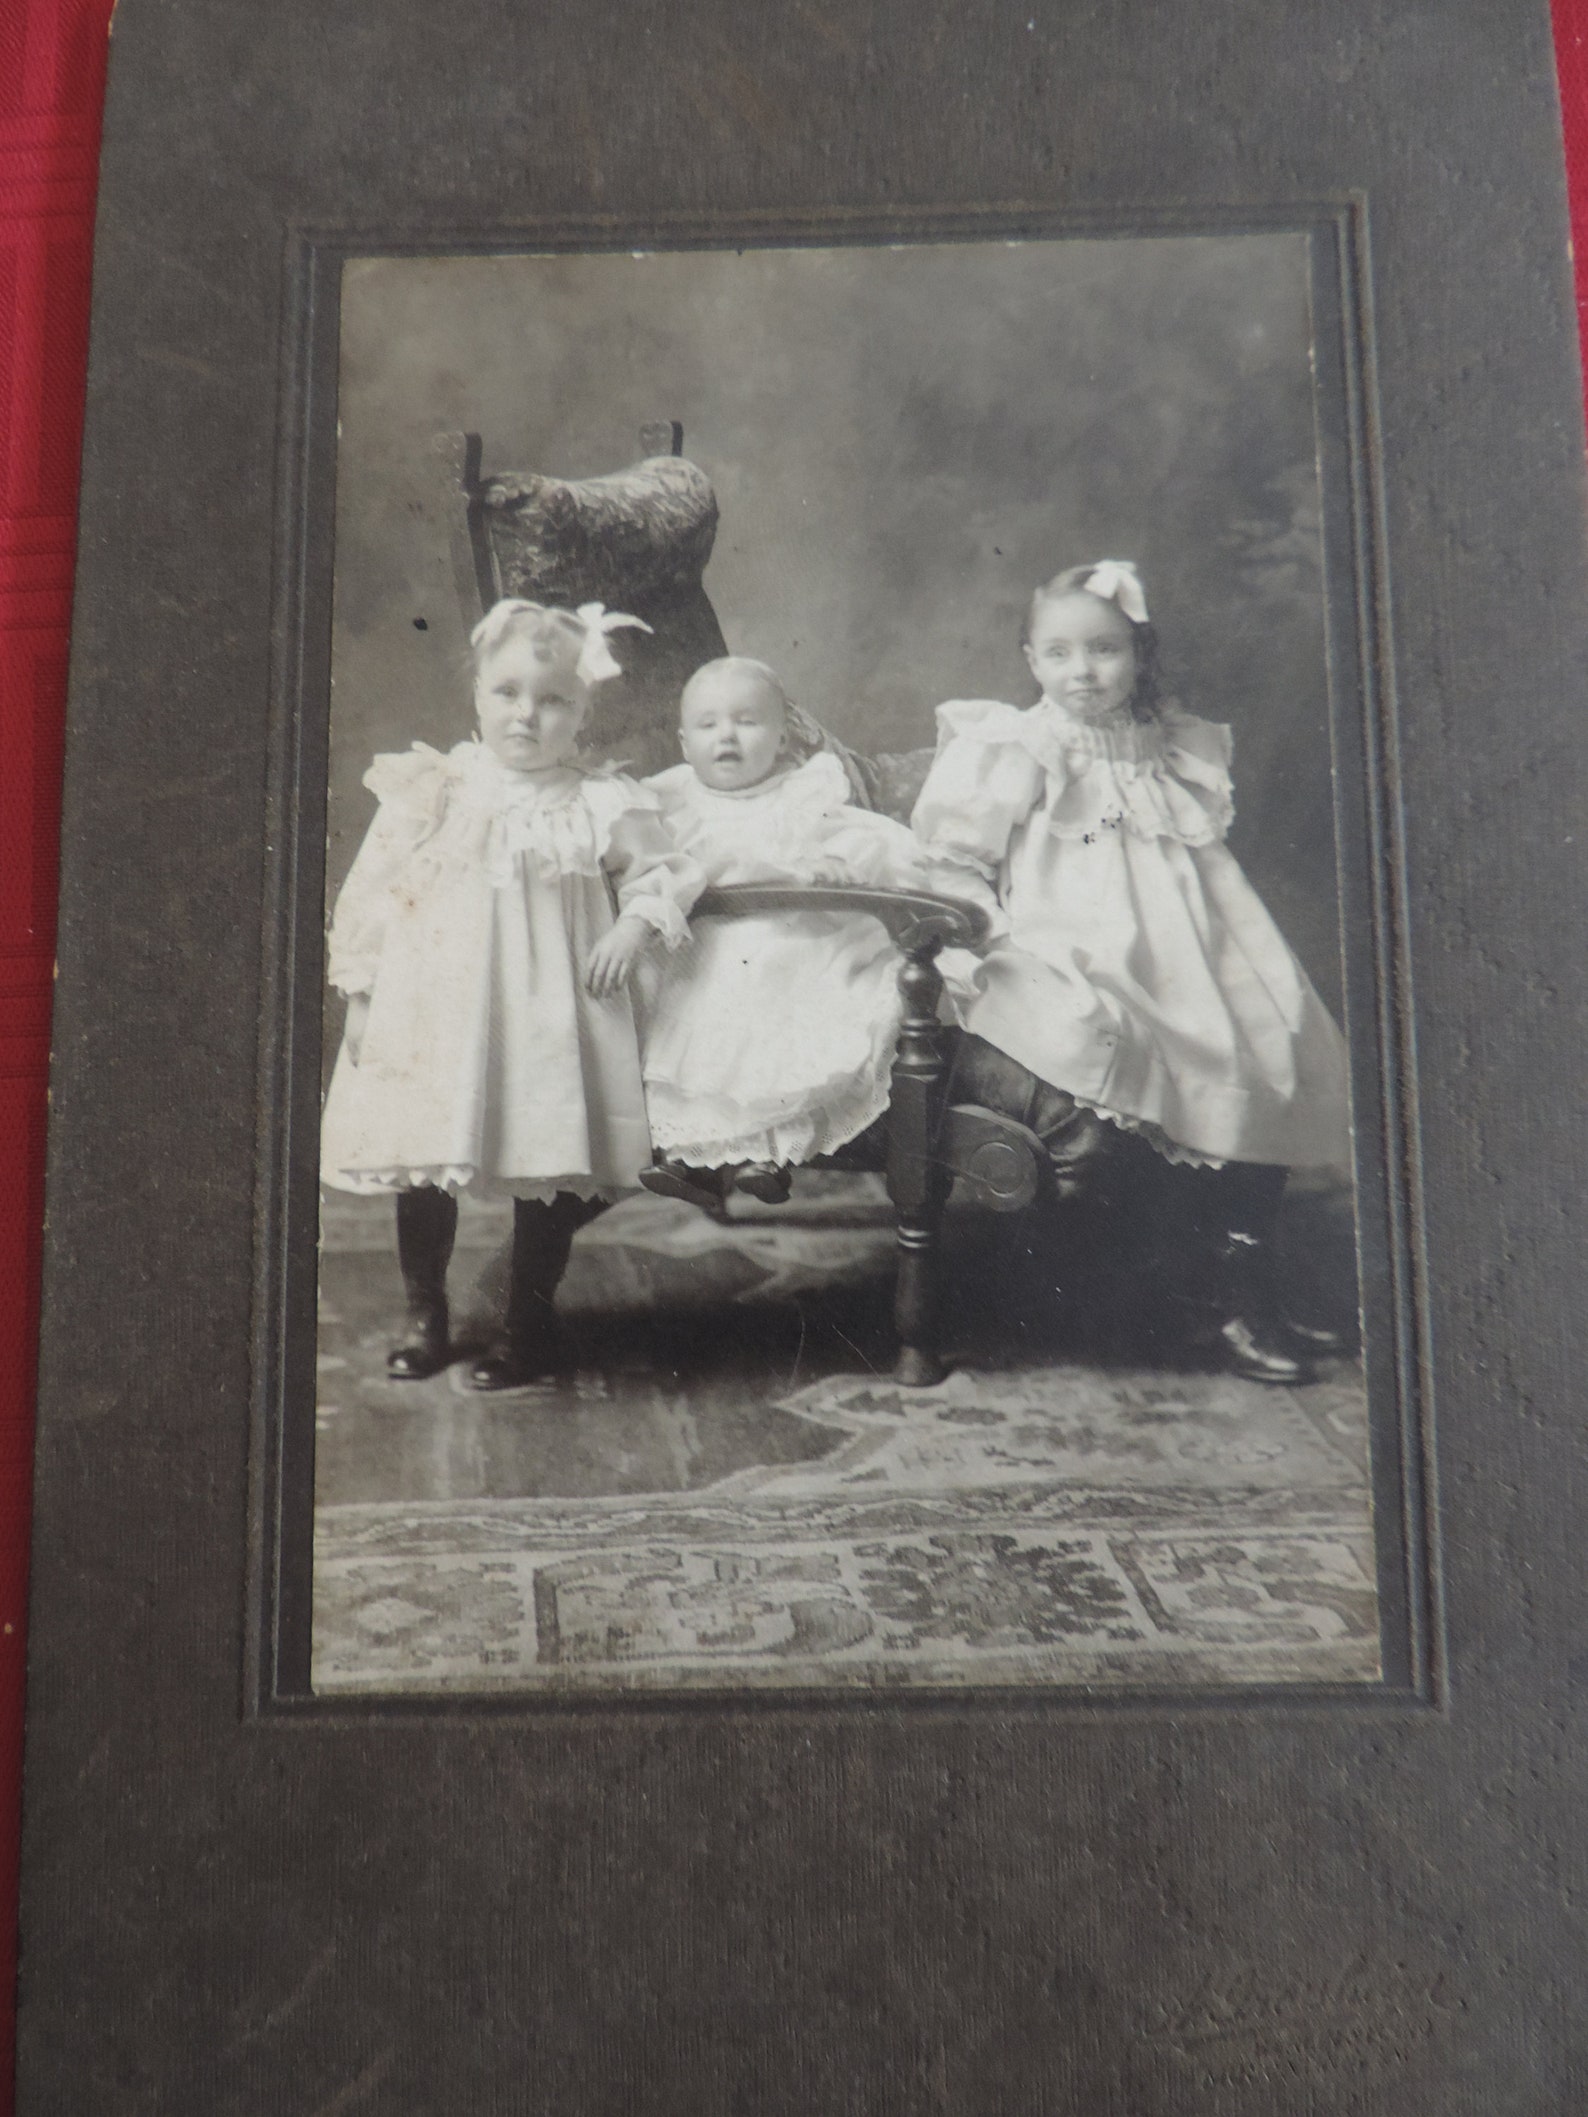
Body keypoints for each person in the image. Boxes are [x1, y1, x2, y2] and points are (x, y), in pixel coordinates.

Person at [911, 560, 1352, 1383]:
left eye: (1105, 650)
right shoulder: (1023, 742)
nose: (1083, 671)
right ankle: (1201, 1295)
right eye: (1061, 653)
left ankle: (1244, 1283)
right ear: (1030, 659)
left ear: (1139, 657)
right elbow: (955, 856)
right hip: (1079, 938)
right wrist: (979, 933)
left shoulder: (1167, 740)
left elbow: (1198, 866)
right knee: (1142, 1054)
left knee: (1274, 1039)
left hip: (1193, 939)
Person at [320, 598, 703, 1388]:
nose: (527, 715)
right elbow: (373, 892)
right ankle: (425, 1309)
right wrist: (361, 993)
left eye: (553, 699)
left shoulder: (600, 800)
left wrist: (631, 928)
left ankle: (529, 1319)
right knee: (424, 1157)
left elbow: (666, 875)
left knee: (548, 1158)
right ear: (477, 696)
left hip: (549, 1011)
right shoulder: (436, 788)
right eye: (507, 693)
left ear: (584, 709)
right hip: (438, 1007)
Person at [637, 656, 971, 1211]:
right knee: (693, 1023)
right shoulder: (668, 801)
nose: (727, 736)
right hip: (707, 946)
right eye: (708, 724)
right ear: (683, 741)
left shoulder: (803, 794)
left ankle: (767, 1159)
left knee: (790, 1006)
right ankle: (689, 1161)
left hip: (794, 941)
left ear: (783, 732)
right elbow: (649, 866)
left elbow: (872, 843)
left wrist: (834, 862)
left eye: (747, 721)